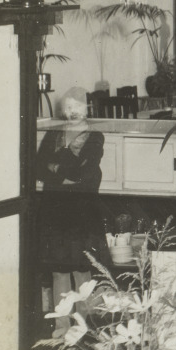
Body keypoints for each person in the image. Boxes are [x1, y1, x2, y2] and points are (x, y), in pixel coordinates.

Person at [35, 86, 112, 300]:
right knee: (58, 271)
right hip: (54, 210)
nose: (72, 111)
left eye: (77, 106)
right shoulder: (54, 133)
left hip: (81, 213)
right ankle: (63, 328)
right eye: (68, 107)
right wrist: (63, 172)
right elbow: (39, 166)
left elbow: (82, 173)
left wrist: (56, 168)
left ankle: (84, 328)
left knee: (81, 270)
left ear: (86, 107)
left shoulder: (96, 136)